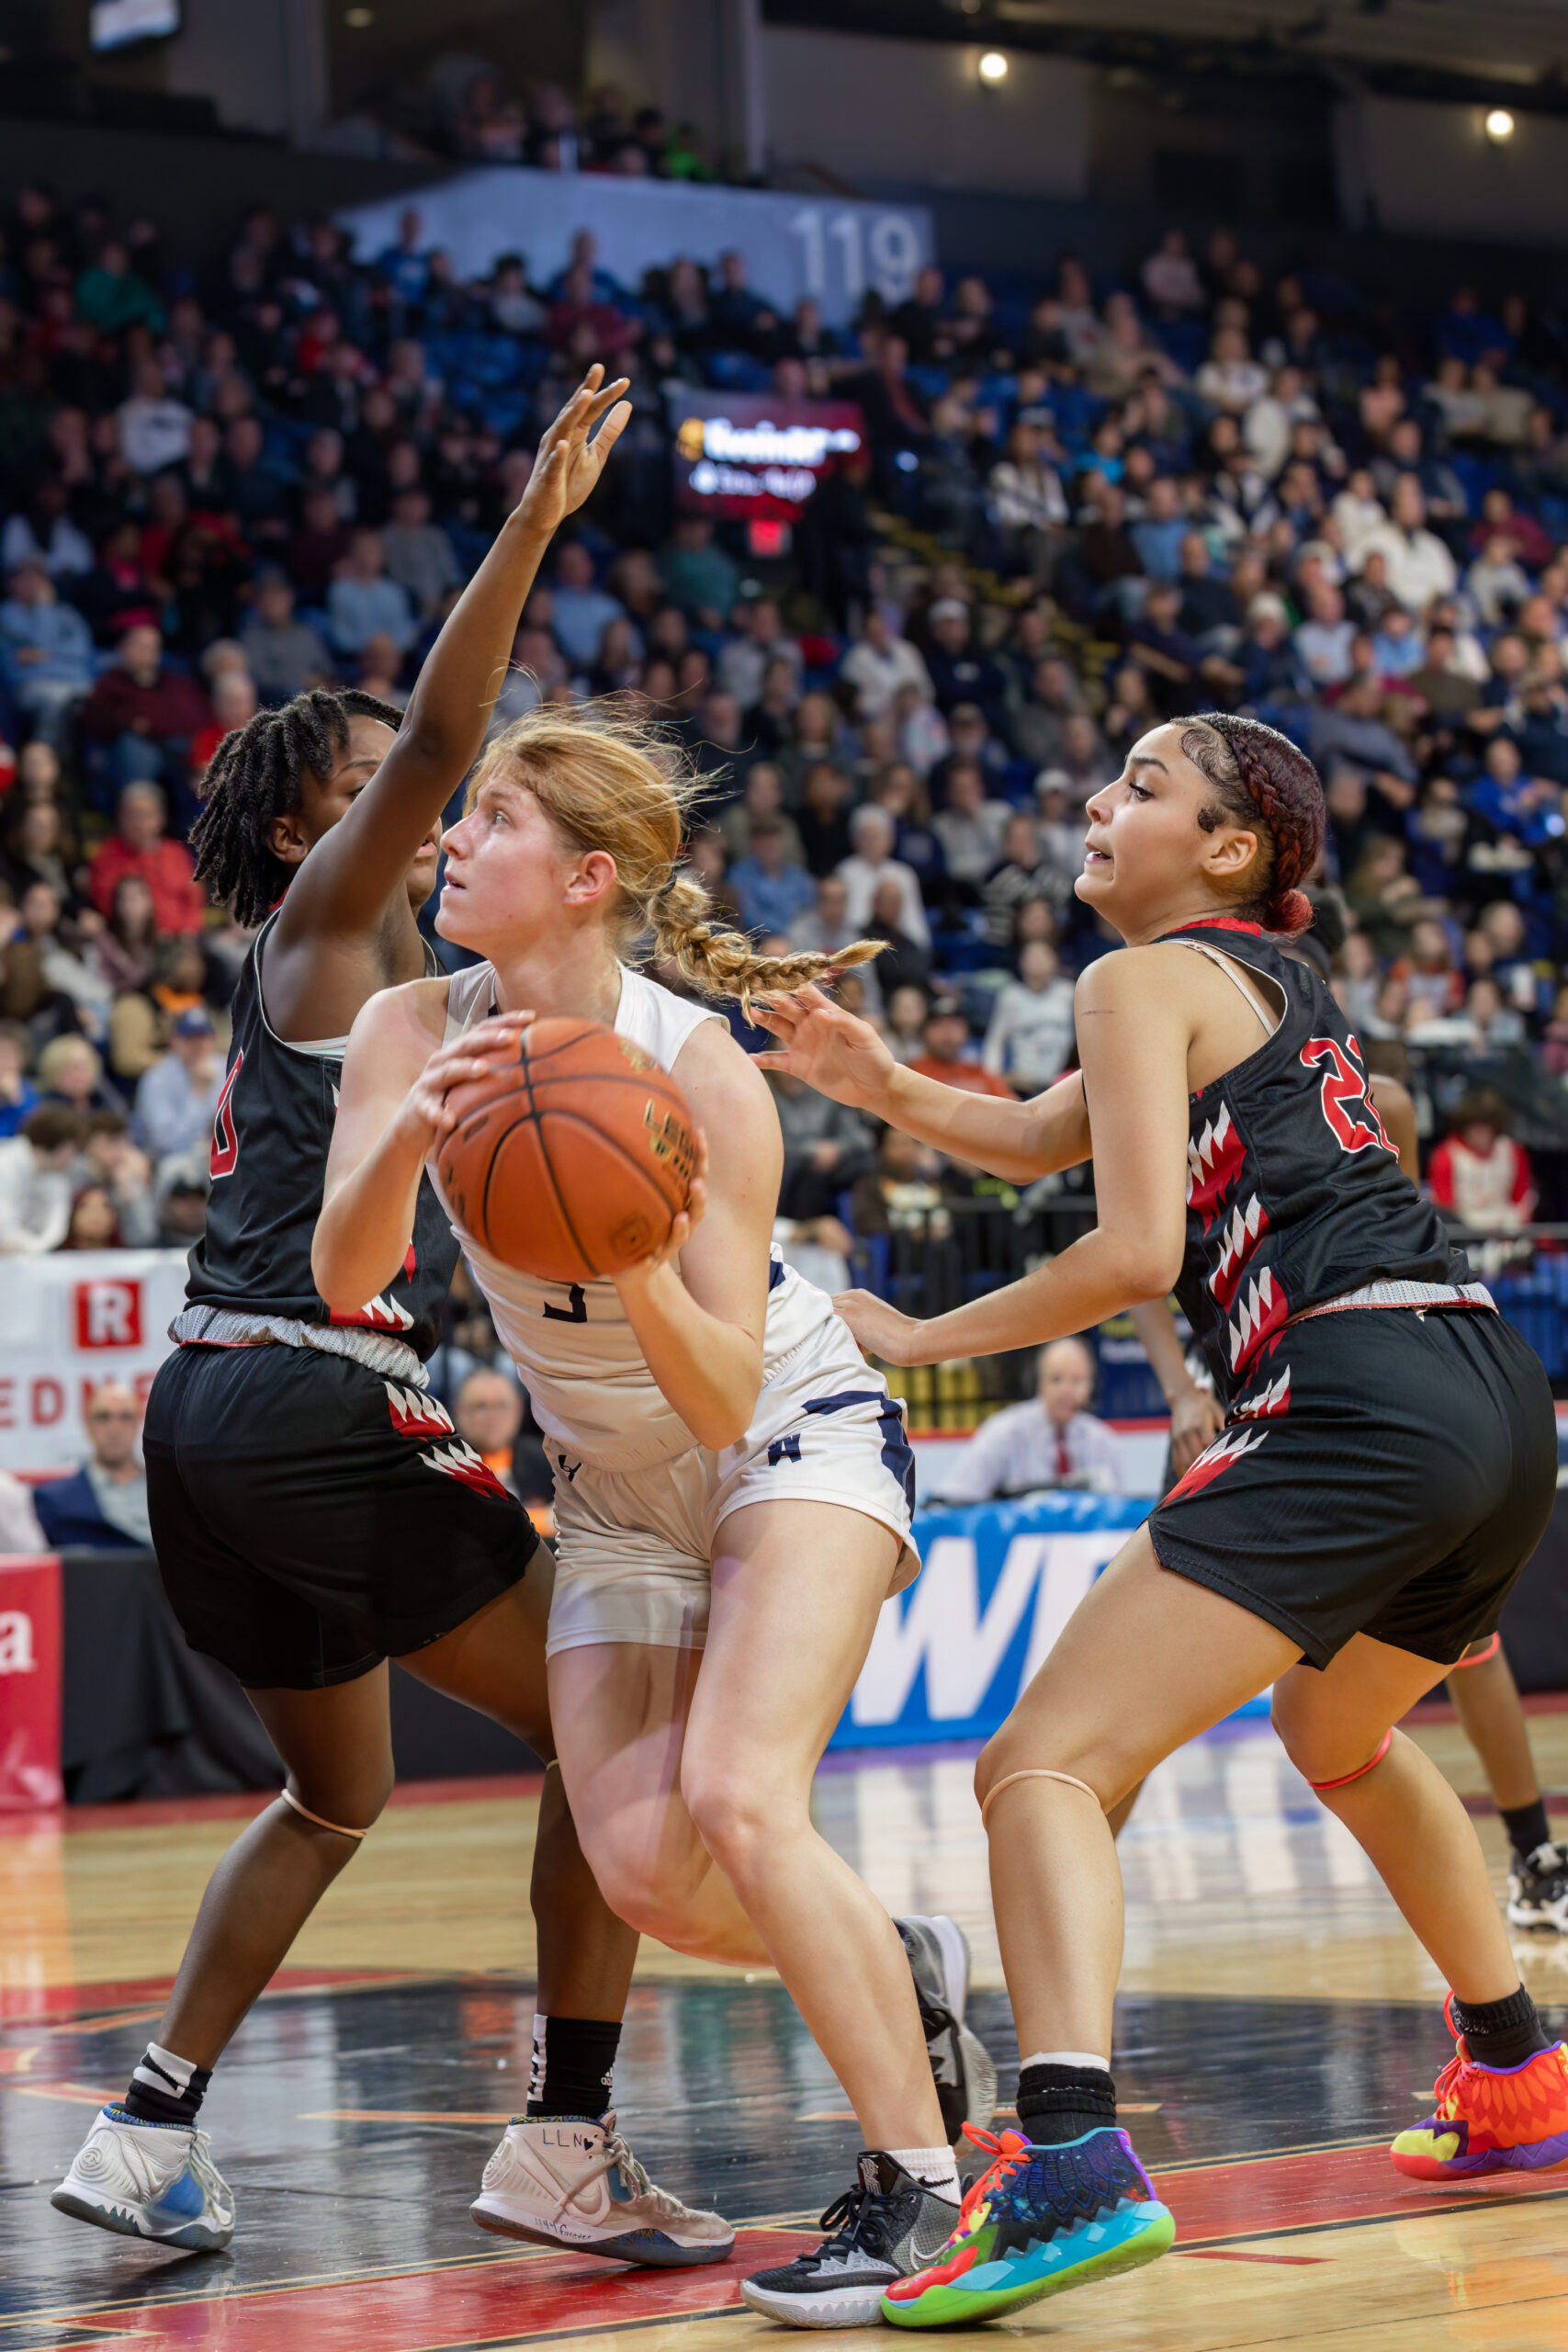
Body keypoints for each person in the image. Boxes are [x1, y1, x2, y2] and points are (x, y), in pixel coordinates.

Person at [755, 711, 1562, 2323]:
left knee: (1040, 1760)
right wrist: (880, 1080)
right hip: (1487, 1395)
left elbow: (1129, 1254)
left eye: (1143, 785)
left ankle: (1069, 2157)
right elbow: (1049, 1135)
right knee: (1334, 1728)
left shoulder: (1134, 981)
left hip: (1344, 1397)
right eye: (1105, 773)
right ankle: (1515, 2065)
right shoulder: (1254, 985)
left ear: (1229, 848)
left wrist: (919, 1339)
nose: (1096, 798)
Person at [52, 374, 733, 2272]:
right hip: (315, 1385)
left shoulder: (409, 993)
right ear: (301, 824)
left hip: (210, 1402)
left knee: (330, 1788)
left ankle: (144, 2125)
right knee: (605, 1734)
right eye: (387, 789)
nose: (432, 814)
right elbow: (445, 729)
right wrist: (527, 524)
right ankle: (565, 2135)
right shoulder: (328, 923)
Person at [313, 701, 998, 2328]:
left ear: (586, 877)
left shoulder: (701, 1071)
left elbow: (713, 1396)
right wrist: (417, 1127)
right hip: (612, 1491)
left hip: (783, 1436)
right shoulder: (411, 1025)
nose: (450, 839)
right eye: (457, 816)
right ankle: (902, 1970)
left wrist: (620, 1240)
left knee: (744, 1802)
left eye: (487, 821)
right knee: (651, 1881)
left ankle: (922, 2194)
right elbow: (343, 1281)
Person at [933, 1337, 1120, 1502]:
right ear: (1038, 1381)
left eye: (1077, 1381)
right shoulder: (1005, 1431)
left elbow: (1116, 1511)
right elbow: (955, 1498)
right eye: (1056, 1379)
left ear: (1091, 1386)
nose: (1067, 1391)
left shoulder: (1103, 1440)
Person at [34, 1380, 151, 1551]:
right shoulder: (55, 1502)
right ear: (88, 1425)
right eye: (103, 1417)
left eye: (125, 1417)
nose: (115, 1428)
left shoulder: (171, 1490)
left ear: (137, 1423)